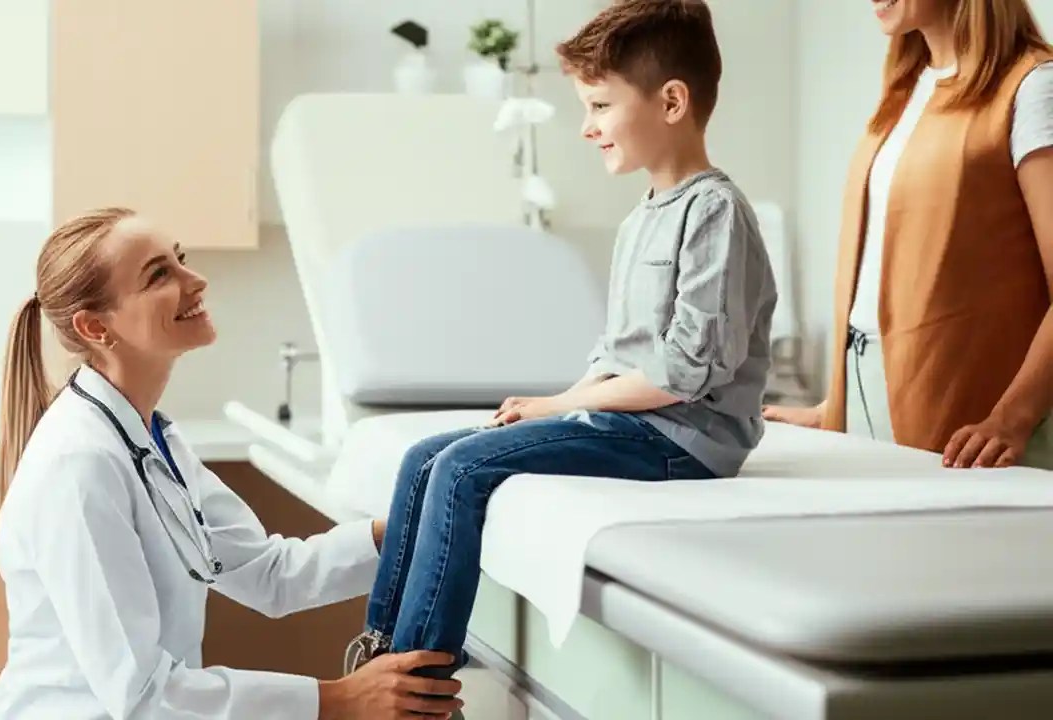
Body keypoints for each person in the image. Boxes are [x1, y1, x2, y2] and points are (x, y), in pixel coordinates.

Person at [339, 0, 779, 701]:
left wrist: (559, 407)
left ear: (671, 102)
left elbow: (688, 372)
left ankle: (417, 692)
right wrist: (558, 407)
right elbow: (616, 351)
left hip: (685, 439)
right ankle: (379, 664)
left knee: (460, 470)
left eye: (601, 105)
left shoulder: (714, 212)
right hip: (635, 423)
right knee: (424, 457)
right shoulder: (642, 218)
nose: (587, 127)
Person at [0, 207, 464, 720]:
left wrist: (413, 530)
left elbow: (271, 574)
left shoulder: (150, 438)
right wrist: (340, 699)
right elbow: (140, 695)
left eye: (179, 259)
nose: (195, 280)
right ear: (96, 326)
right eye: (159, 274)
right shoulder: (80, 465)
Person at [764, 0, 1053, 470]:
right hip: (865, 399)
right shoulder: (908, 87)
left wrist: (1011, 418)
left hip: (972, 429)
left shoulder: (1034, 86)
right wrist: (838, 405)